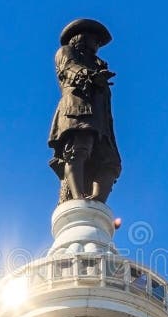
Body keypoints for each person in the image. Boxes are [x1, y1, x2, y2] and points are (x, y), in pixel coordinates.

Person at [48, 18, 122, 203]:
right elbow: (69, 69)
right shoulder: (66, 52)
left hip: (101, 121)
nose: (97, 43)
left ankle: (96, 201)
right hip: (77, 110)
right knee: (78, 149)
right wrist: (91, 76)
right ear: (81, 37)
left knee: (110, 162)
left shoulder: (99, 65)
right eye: (94, 38)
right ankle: (78, 197)